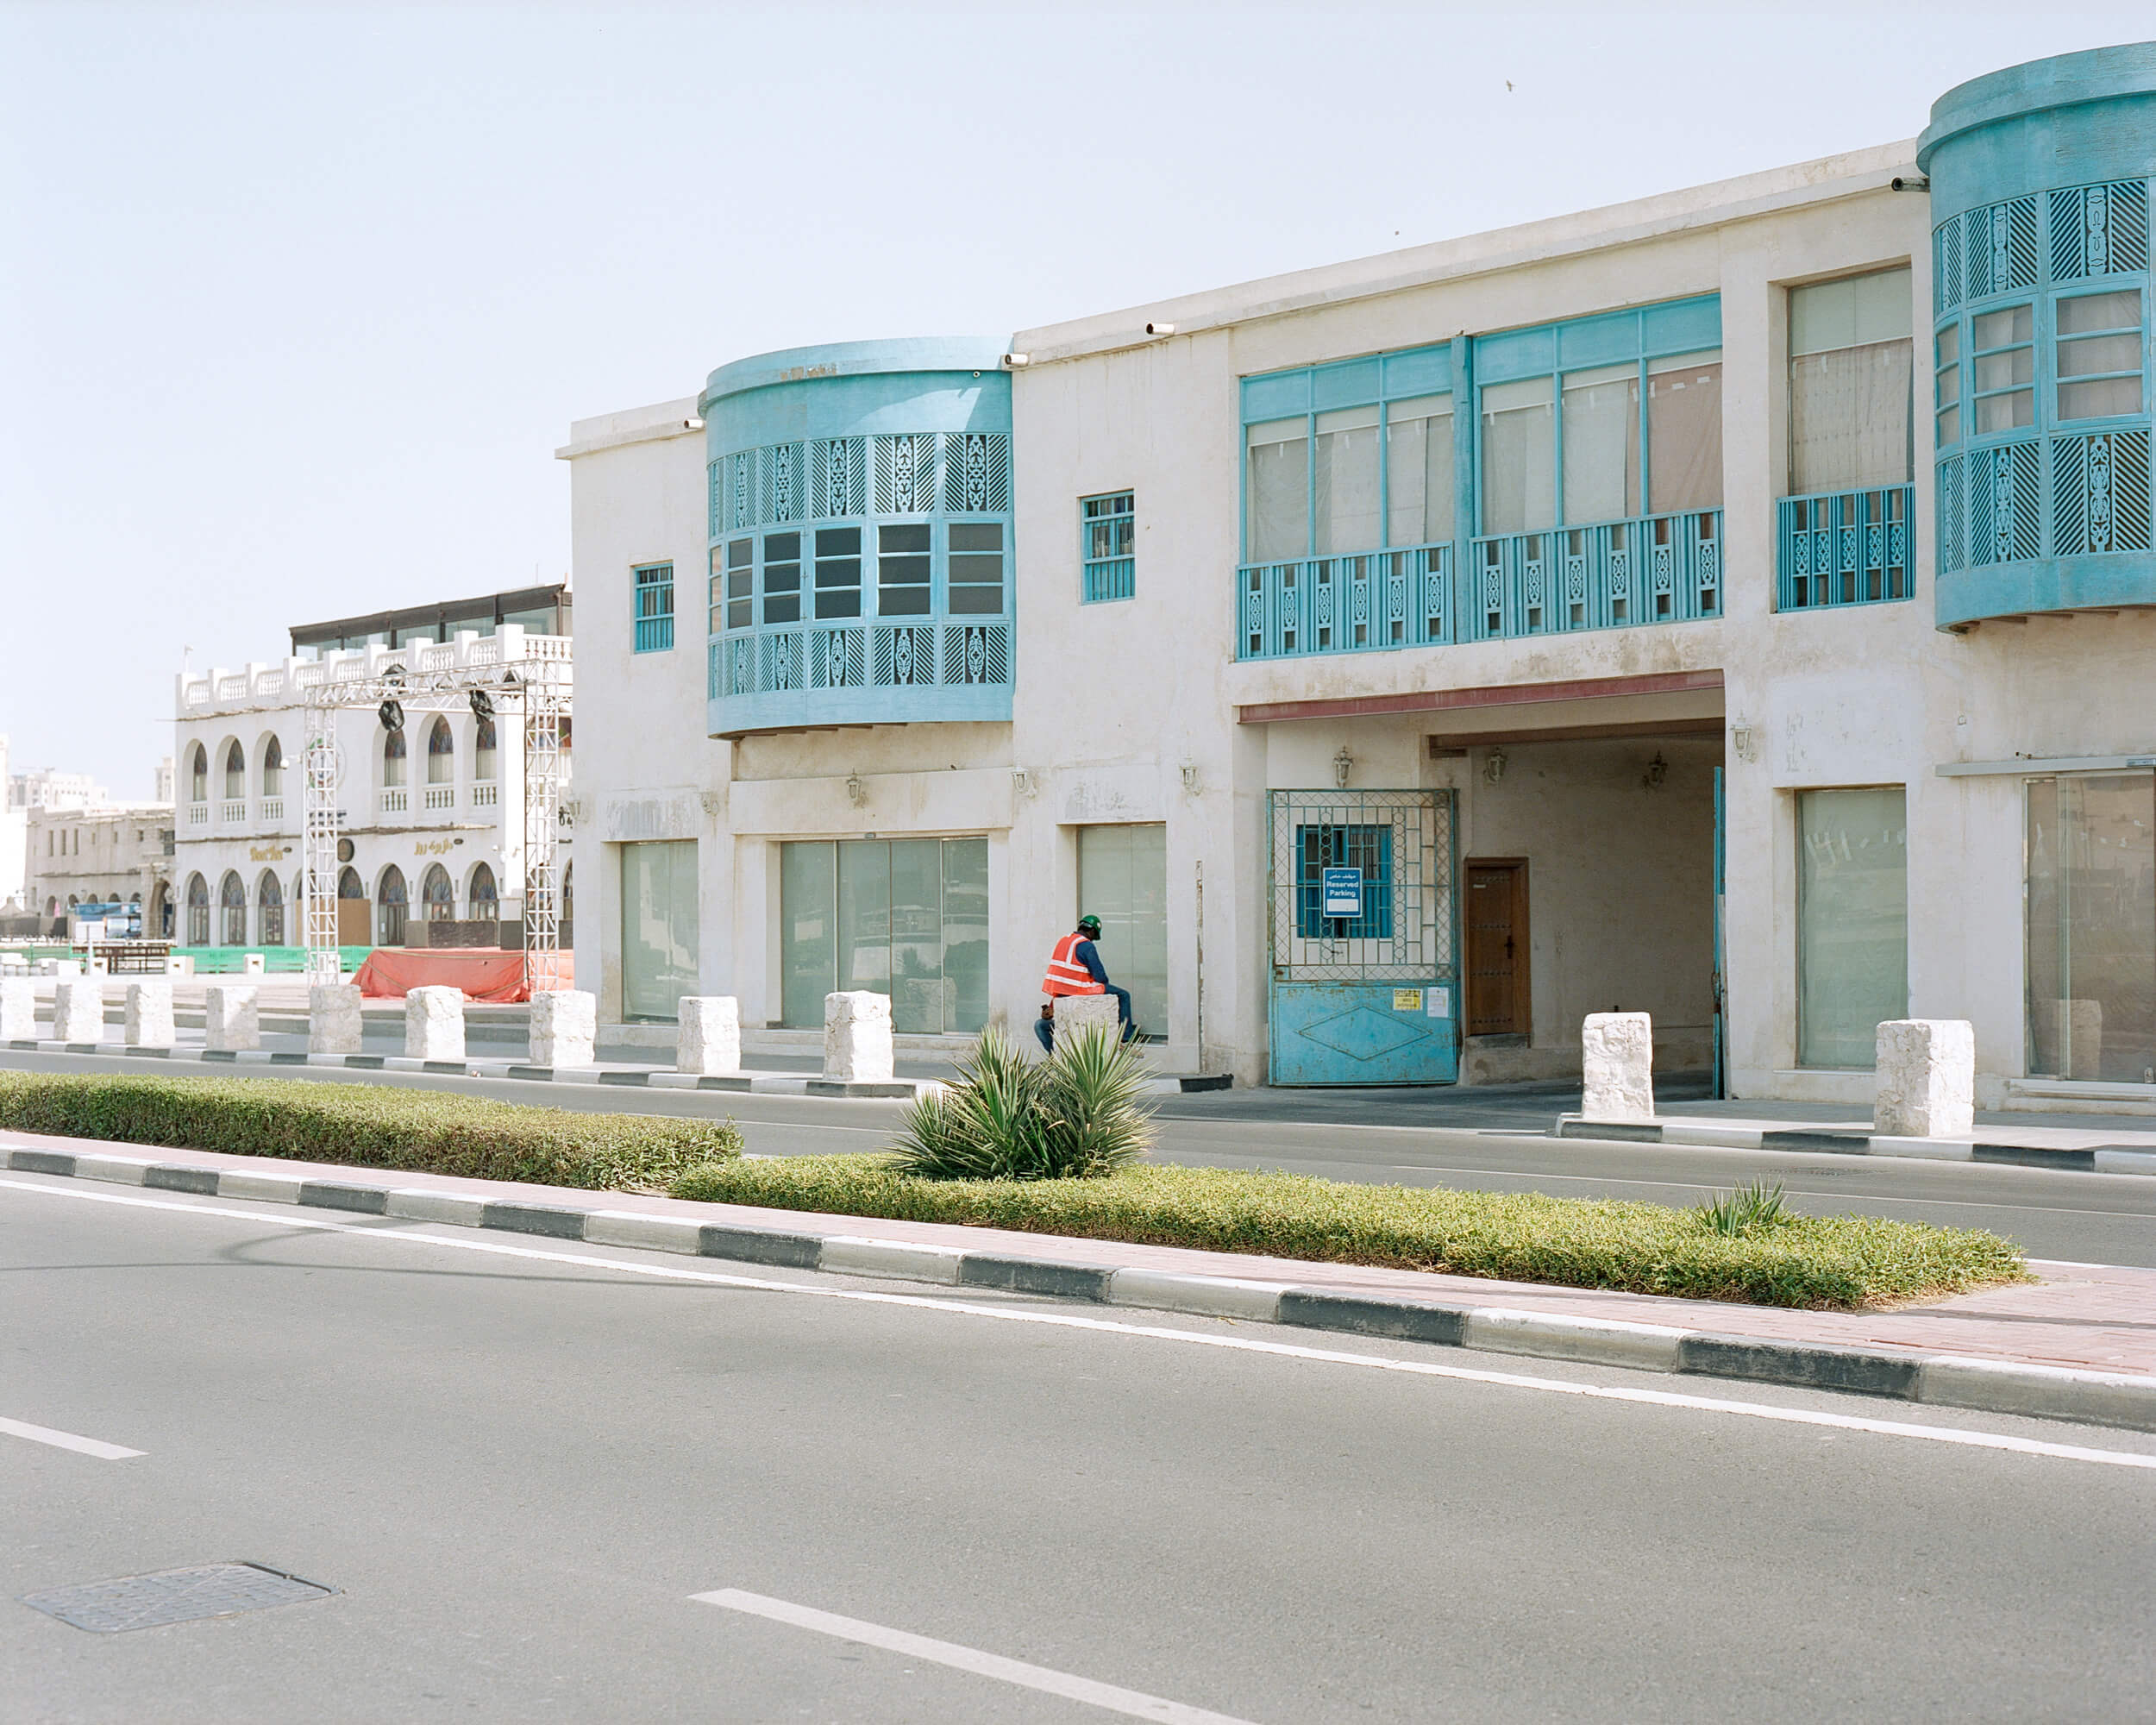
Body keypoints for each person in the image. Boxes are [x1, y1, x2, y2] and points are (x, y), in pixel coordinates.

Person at [1037, 913, 1136, 1052]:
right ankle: (1126, 1039)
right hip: (1081, 989)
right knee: (1124, 995)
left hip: (1062, 992)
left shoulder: (1063, 941)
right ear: (1092, 931)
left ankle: (1053, 1057)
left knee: (1040, 1025)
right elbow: (1100, 976)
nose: (1093, 940)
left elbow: (1063, 976)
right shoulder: (1085, 945)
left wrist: (1052, 1007)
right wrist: (1103, 983)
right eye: (1094, 937)